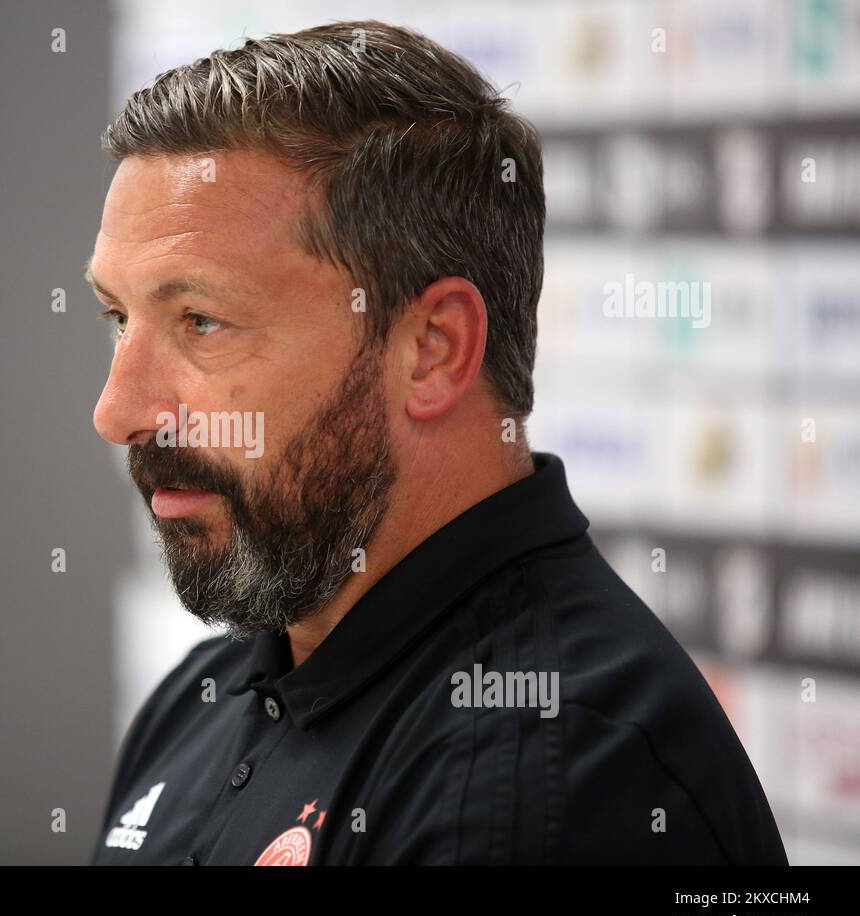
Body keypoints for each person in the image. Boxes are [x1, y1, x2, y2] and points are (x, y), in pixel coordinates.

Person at [83, 19, 787, 865]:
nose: (119, 409)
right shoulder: (200, 698)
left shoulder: (547, 779)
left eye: (201, 321)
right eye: (119, 319)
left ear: (434, 350)